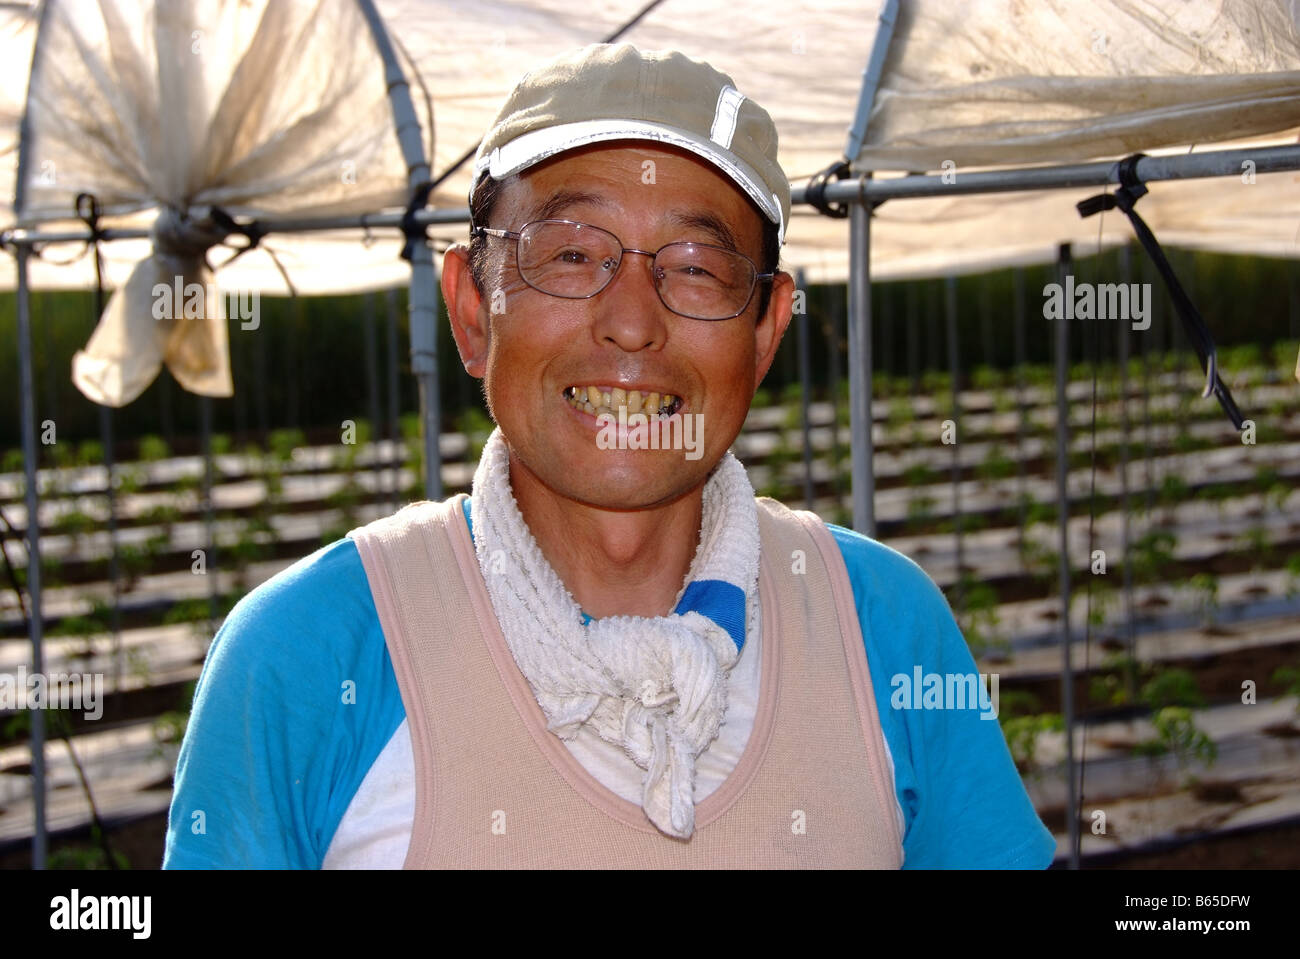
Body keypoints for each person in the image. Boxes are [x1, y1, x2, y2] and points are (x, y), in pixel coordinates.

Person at [163, 43, 1054, 869]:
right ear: (473, 311)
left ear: (767, 331)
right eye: (571, 254)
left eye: (698, 267)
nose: (632, 319)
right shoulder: (304, 659)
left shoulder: (884, 625)